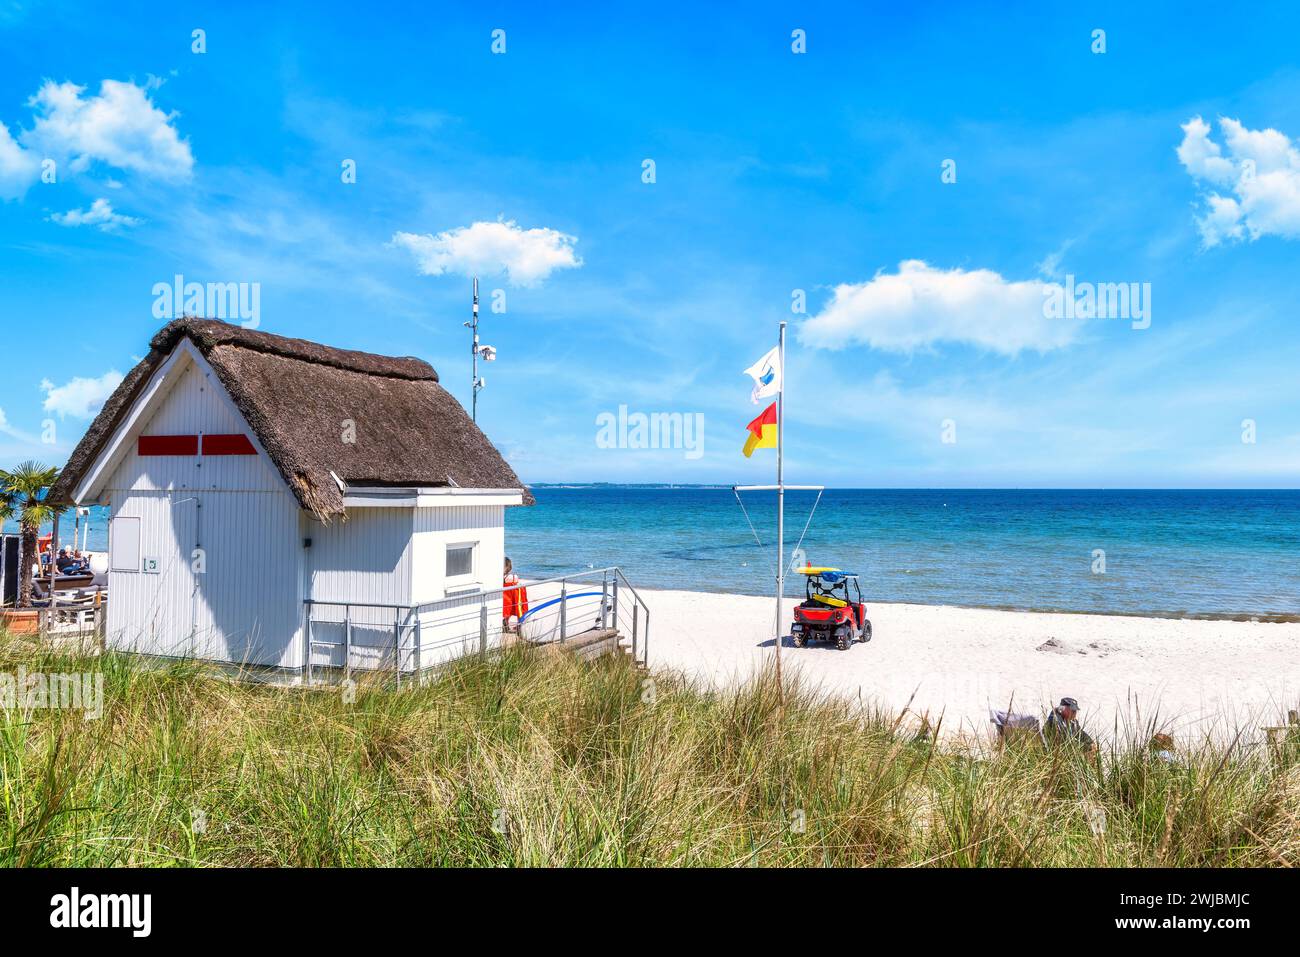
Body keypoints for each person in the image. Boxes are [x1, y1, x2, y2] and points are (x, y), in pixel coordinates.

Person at [502, 556, 529, 633]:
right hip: (514, 596)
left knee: (507, 610)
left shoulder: (499, 579)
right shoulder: (513, 577)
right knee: (518, 608)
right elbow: (517, 583)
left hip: (506, 597)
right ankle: (519, 625)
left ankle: (506, 622)